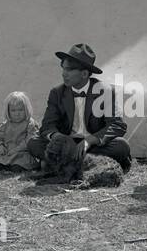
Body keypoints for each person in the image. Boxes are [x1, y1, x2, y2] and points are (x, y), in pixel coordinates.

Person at [28, 43, 131, 183]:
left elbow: (118, 125)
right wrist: (58, 137)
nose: (63, 73)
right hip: (65, 145)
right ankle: (82, 163)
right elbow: (47, 126)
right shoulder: (57, 93)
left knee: (122, 146)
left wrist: (90, 140)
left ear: (84, 73)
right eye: (63, 68)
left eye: (69, 69)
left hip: (92, 146)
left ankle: (64, 164)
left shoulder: (104, 91)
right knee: (33, 142)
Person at [0, 91, 40, 171]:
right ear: (8, 111)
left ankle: (13, 166)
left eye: (20, 110)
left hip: (22, 152)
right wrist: (0, 146)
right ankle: (1, 164)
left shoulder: (29, 123)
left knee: (18, 166)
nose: (17, 113)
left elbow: (30, 140)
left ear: (26, 109)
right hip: (7, 151)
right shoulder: (6, 124)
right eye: (13, 111)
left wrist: (16, 149)